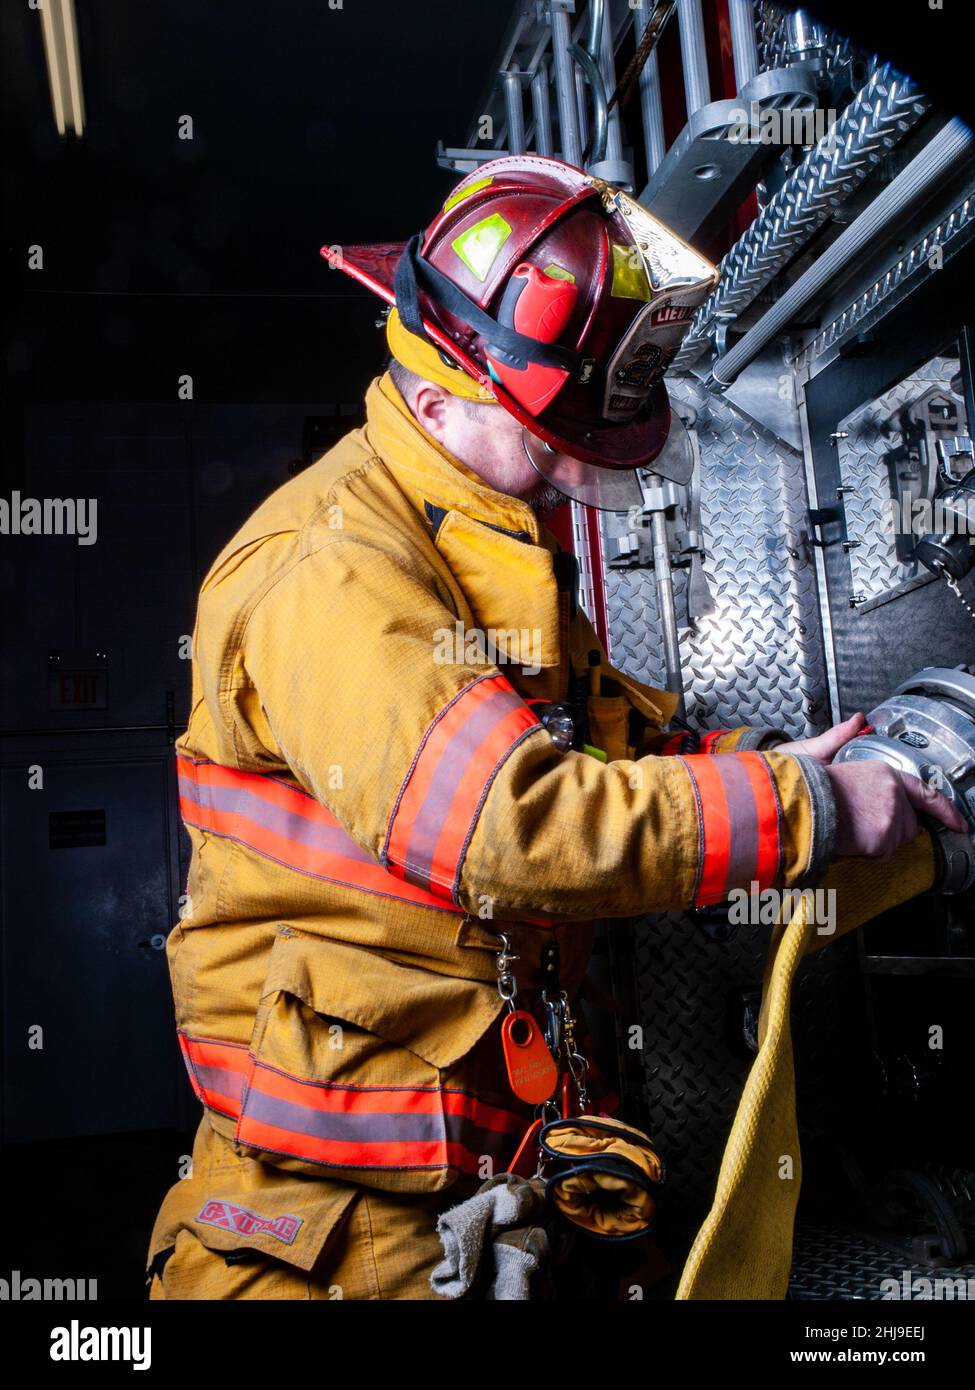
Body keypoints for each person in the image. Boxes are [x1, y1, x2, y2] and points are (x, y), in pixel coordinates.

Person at [147, 156, 964, 1300]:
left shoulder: (478, 530)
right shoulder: (331, 569)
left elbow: (593, 760)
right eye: (550, 441)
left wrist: (775, 769)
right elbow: (510, 828)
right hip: (334, 1242)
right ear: (434, 402)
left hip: (487, 1198)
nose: (573, 475)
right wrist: (805, 812)